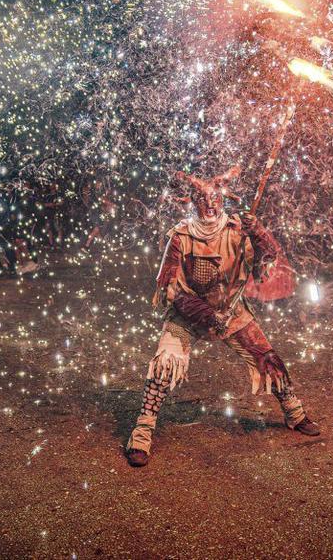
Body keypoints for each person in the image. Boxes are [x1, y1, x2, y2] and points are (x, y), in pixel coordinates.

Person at [125, 166, 319, 467]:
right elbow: (171, 292)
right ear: (192, 202)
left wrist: (259, 233)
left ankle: (295, 413)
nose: (210, 205)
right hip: (189, 314)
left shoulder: (238, 230)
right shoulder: (180, 238)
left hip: (232, 312)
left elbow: (267, 261)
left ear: (223, 200)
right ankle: (143, 429)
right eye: (202, 199)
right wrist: (207, 315)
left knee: (268, 358)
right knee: (165, 363)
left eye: (215, 198)